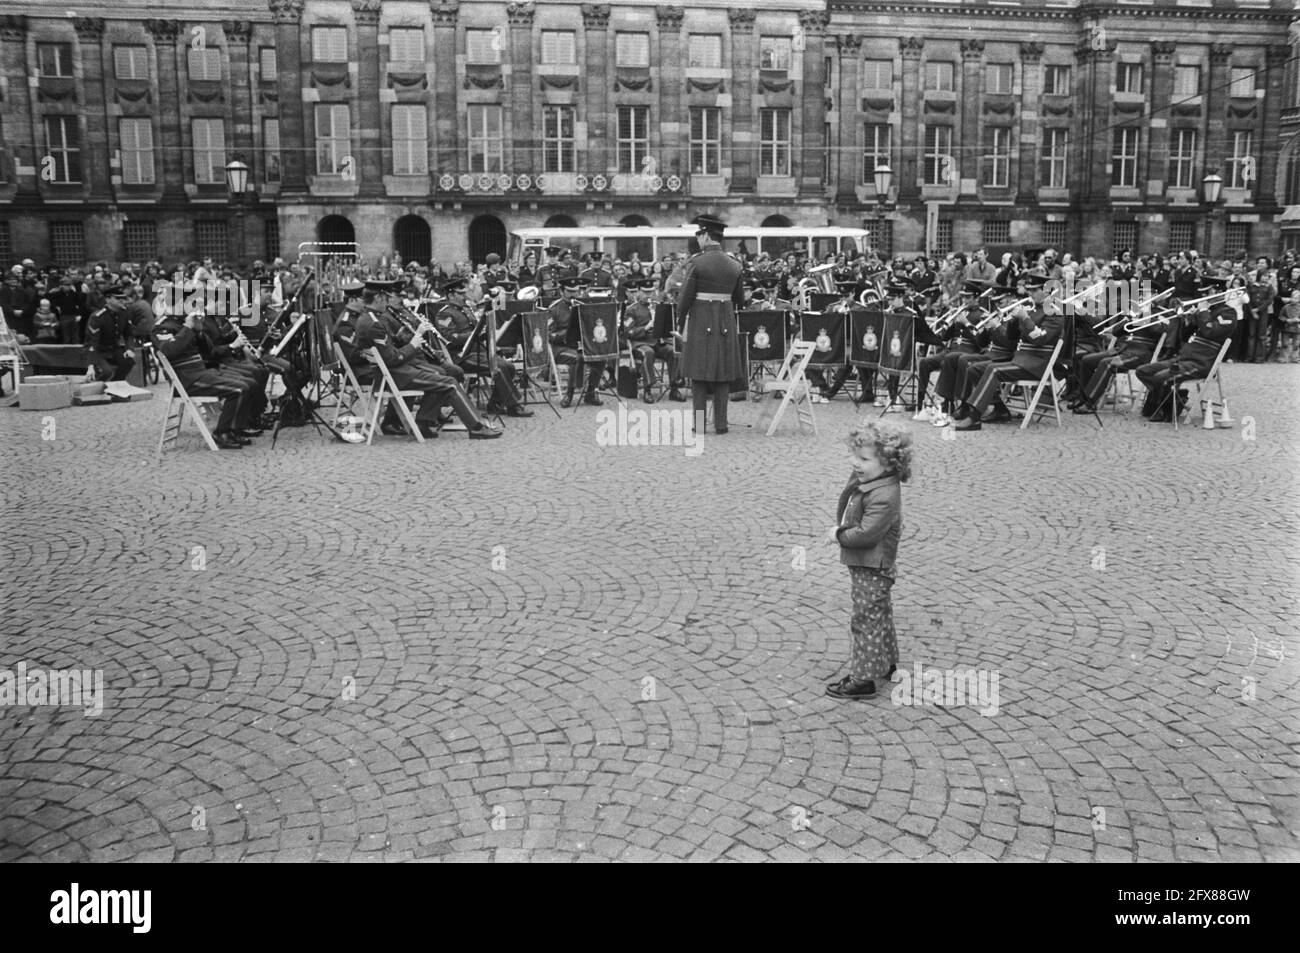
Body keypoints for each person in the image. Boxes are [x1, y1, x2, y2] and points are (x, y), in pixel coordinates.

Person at [824, 420, 912, 701]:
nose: (855, 464)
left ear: (888, 464)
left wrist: (839, 534)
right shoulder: (875, 480)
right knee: (880, 614)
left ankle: (863, 679)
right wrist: (862, 464)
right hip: (869, 565)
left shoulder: (884, 494)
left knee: (866, 620)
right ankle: (886, 662)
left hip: (873, 567)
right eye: (853, 456)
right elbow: (854, 484)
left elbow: (866, 535)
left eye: (863, 459)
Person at [677, 214, 745, 435]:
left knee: (698, 375)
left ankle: (699, 424)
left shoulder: (696, 262)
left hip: (701, 321)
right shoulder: (735, 265)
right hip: (725, 320)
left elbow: (685, 299)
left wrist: (679, 322)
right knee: (723, 374)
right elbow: (740, 300)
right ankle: (721, 424)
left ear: (706, 236)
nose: (698, 239)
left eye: (699, 234)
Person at [153, 308, 259, 449]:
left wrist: (199, 331)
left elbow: (208, 351)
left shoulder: (185, 321)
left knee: (250, 383)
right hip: (186, 379)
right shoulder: (162, 326)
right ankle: (222, 433)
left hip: (201, 371)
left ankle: (234, 429)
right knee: (240, 389)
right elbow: (169, 350)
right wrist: (188, 328)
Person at [623, 278, 685, 404]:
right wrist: (646, 328)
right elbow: (627, 332)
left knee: (672, 352)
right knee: (648, 352)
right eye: (645, 292)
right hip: (640, 343)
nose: (648, 295)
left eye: (650, 292)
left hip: (657, 341)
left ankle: (674, 388)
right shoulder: (631, 309)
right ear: (639, 292)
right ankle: (647, 389)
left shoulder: (657, 306)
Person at [84, 286, 137, 382]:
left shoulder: (124, 313)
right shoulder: (97, 317)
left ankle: (116, 385)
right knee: (106, 372)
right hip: (98, 350)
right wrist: (90, 366)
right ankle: (95, 387)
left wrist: (129, 349)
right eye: (117, 298)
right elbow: (92, 343)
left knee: (128, 362)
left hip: (113, 348)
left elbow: (129, 334)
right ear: (107, 299)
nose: (122, 301)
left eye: (123, 298)